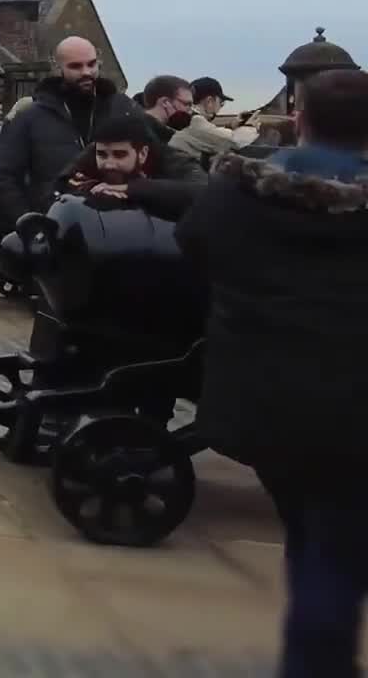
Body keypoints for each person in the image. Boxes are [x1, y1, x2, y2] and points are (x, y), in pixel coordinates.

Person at [176, 68, 368, 677]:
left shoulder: (241, 190)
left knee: (312, 532)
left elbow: (195, 241)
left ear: (301, 117)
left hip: (262, 399)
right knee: (333, 552)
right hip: (353, 410)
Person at [0, 36, 139, 225]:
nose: (86, 72)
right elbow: (3, 177)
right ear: (58, 67)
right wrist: (27, 221)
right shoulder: (30, 118)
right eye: (76, 66)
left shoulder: (123, 108)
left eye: (91, 64)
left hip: (120, 223)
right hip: (56, 224)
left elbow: (161, 161)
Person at [60, 114, 202, 221]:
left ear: (143, 153)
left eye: (119, 155)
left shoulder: (174, 161)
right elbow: (60, 186)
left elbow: (202, 192)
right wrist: (95, 189)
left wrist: (132, 189)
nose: (109, 164)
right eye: (102, 155)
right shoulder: (93, 153)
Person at [168, 76, 262, 167]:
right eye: (221, 103)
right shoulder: (195, 121)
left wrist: (231, 127)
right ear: (209, 101)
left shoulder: (185, 118)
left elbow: (210, 135)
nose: (220, 108)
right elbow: (234, 142)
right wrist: (250, 127)